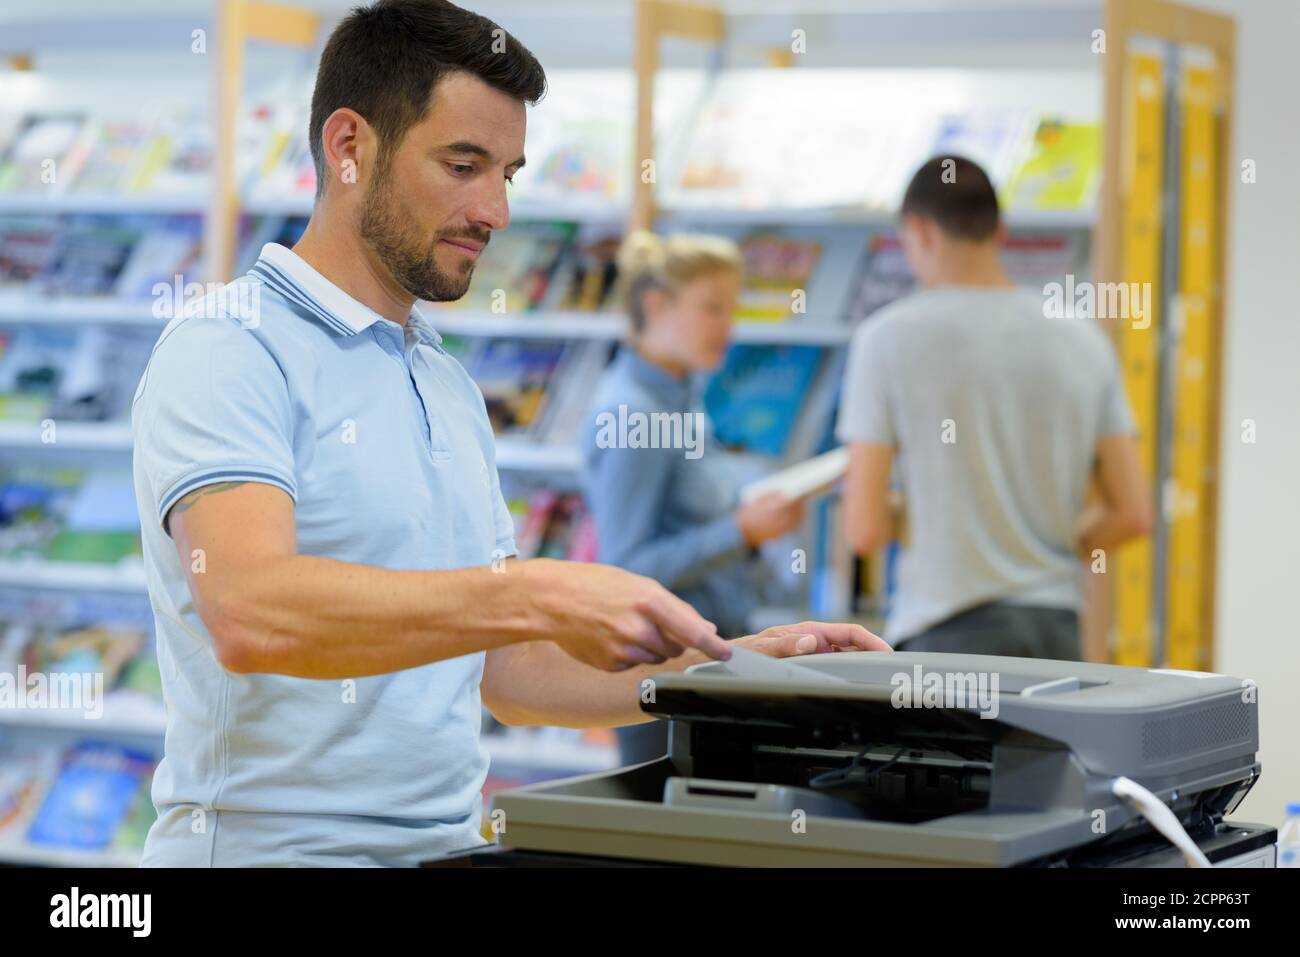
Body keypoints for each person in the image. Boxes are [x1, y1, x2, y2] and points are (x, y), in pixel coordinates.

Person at [130, 0, 885, 867]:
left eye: (508, 173)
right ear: (348, 147)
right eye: (463, 164)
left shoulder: (443, 379)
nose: (495, 210)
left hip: (449, 846)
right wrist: (532, 593)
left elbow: (513, 675)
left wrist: (733, 668)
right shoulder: (230, 346)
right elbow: (251, 611)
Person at [837, 155, 1152, 661]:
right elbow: (1133, 513)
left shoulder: (886, 339)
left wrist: (937, 508)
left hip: (944, 633)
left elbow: (864, 527)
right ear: (999, 231)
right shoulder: (1083, 339)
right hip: (1056, 631)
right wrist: (1038, 546)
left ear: (918, 230)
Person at [580, 231, 807, 764]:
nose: (729, 328)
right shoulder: (634, 414)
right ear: (656, 306)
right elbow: (628, 565)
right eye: (712, 309)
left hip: (706, 657)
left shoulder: (682, 396)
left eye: (732, 310)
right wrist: (741, 531)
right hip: (663, 669)